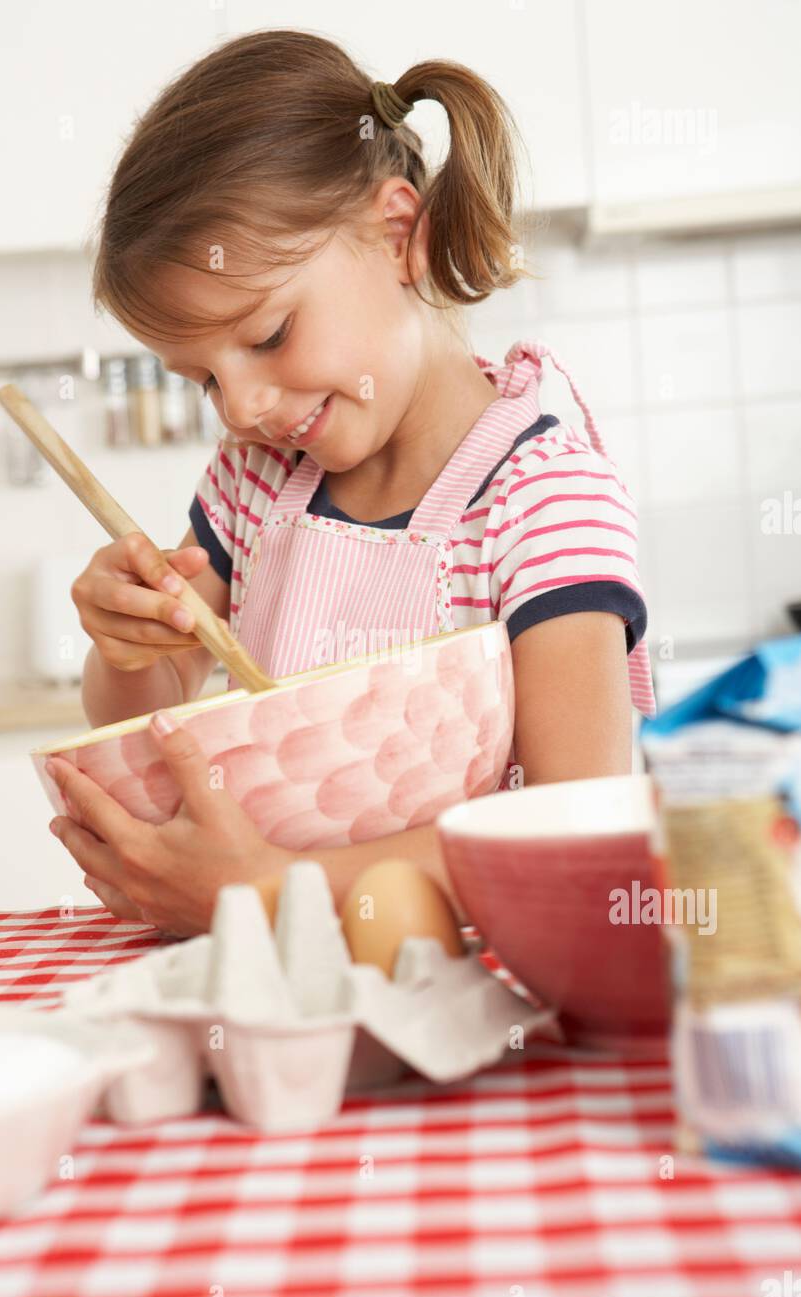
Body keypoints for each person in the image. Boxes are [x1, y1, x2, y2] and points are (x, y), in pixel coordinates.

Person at [48, 30, 655, 935]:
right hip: (293, 975)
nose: (241, 406)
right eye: (205, 378)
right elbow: (150, 715)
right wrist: (130, 649)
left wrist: (266, 888)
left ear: (398, 233)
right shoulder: (256, 484)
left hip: (488, 987)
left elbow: (575, 828)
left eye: (267, 336)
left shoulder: (541, 498)